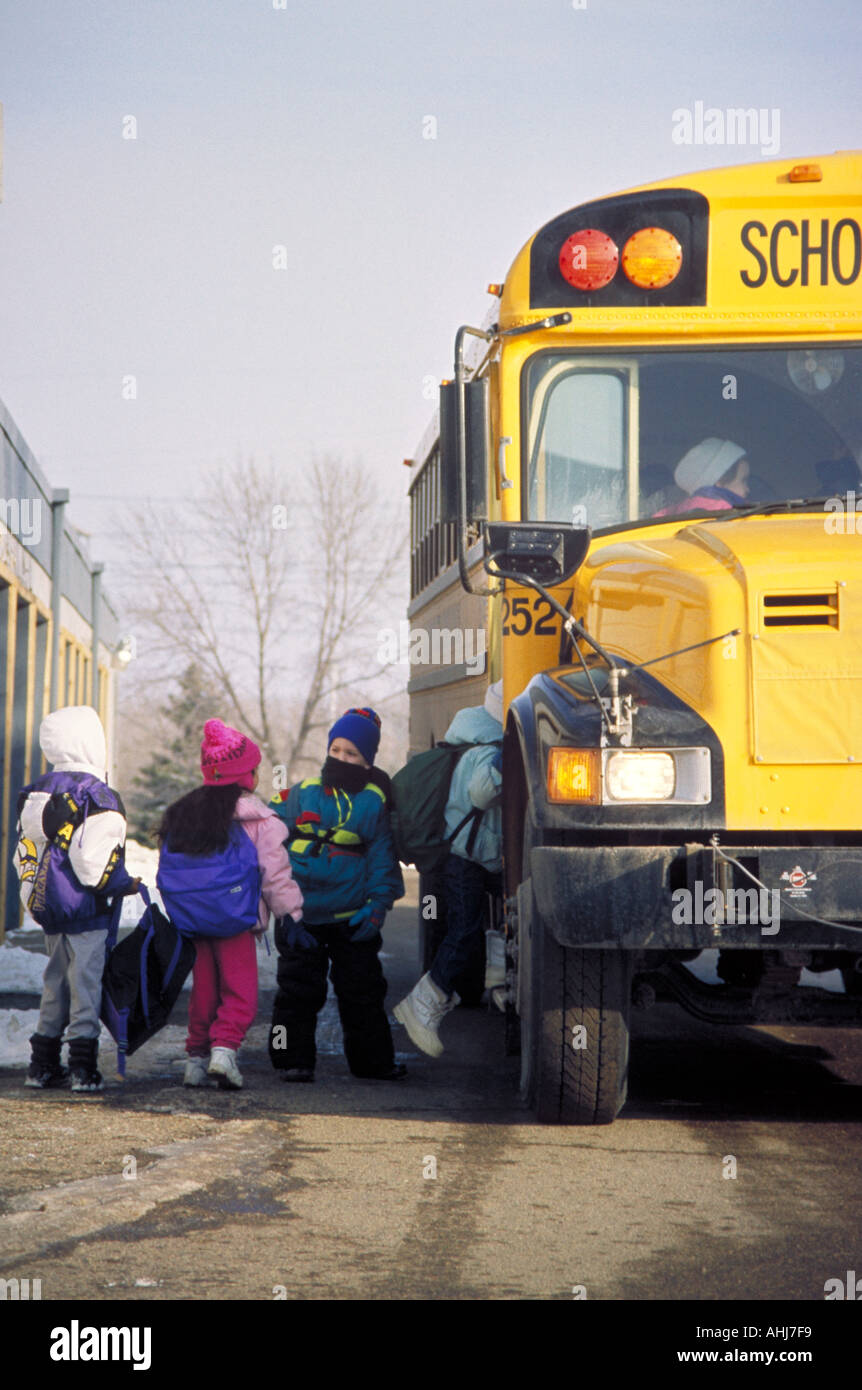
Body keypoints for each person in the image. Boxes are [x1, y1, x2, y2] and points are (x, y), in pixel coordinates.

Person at [158, 718, 303, 1090]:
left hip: (194, 921)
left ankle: (195, 1059)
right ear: (245, 775)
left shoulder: (183, 813)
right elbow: (274, 873)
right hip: (235, 922)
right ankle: (224, 1051)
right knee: (239, 990)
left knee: (203, 991)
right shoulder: (258, 819)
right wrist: (291, 911)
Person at [268, 706, 405, 1082]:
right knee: (296, 992)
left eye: (352, 754)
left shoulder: (373, 803)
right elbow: (267, 838)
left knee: (363, 993)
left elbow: (381, 860)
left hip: (351, 917)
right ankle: (289, 1060)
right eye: (336, 750)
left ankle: (373, 1064)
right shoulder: (301, 793)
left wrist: (377, 908)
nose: (341, 758)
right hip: (301, 916)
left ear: (367, 761)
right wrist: (280, 905)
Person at [15, 706, 140, 1092]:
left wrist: (31, 895)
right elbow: (93, 862)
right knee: (86, 983)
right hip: (86, 908)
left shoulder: (37, 792)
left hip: (49, 905)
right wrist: (122, 883)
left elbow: (25, 852)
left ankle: (42, 1064)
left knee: (55, 981)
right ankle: (83, 1067)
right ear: (92, 743)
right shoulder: (96, 794)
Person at [394, 681, 504, 1058]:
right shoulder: (488, 751)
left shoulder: (469, 741)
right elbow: (483, 794)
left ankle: (496, 976)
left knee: (478, 926)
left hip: (472, 856)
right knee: (464, 933)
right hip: (466, 858)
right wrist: (507, 762)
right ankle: (423, 1002)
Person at [654, 437, 750, 516]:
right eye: (743, 481)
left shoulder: (674, 512)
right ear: (720, 481)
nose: (748, 489)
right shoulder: (727, 513)